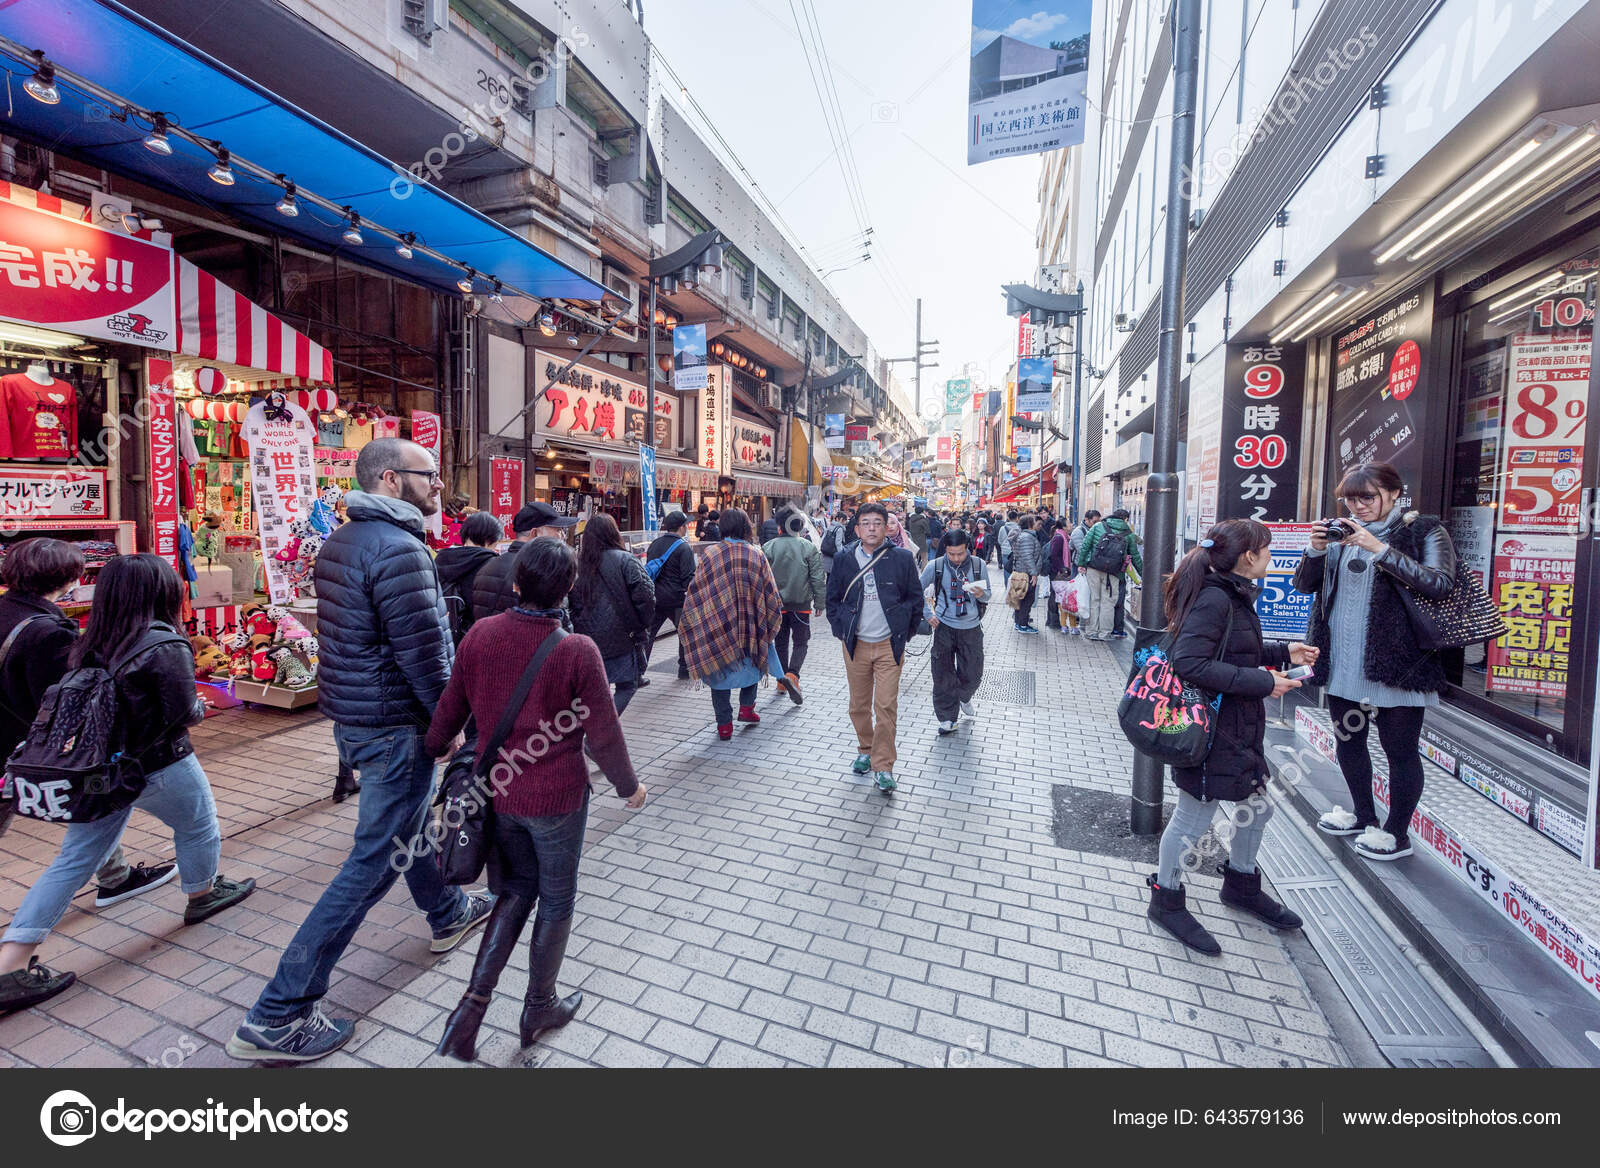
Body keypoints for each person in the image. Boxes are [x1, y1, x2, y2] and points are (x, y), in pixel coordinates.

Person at [230, 439, 491, 1064]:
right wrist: (446, 721)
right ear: (393, 480)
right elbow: (425, 652)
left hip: (357, 721)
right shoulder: (400, 548)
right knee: (372, 862)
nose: (439, 486)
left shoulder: (345, 540)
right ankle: (278, 1012)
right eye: (429, 476)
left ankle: (448, 909)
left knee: (403, 832)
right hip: (396, 725)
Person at [0, 555, 255, 1014]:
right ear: (160, 592)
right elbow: (180, 714)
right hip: (158, 762)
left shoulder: (89, 641)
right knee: (198, 825)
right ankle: (203, 893)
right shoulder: (163, 641)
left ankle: (10, 961)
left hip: (100, 771)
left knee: (74, 860)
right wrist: (200, 703)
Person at [425, 538, 647, 1060]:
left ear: (517, 583)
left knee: (515, 893)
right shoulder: (576, 650)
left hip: (495, 795)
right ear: (568, 588)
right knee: (557, 897)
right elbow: (603, 734)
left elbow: (450, 709)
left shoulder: (480, 634)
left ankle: (470, 1012)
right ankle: (539, 1004)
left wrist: (432, 751)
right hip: (557, 799)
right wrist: (629, 788)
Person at [1147, 520, 1314, 955]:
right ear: (1248, 556)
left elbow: (1233, 650)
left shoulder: (1233, 593)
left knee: (1257, 807)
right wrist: (1263, 683)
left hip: (1239, 727)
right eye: (1267, 550)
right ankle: (1166, 899)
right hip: (1209, 731)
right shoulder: (1215, 598)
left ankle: (1241, 885)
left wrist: (1282, 653)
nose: (1271, 558)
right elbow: (1190, 663)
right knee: (1193, 817)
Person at [1292, 461, 1456, 861]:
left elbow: (1439, 584)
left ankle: (1397, 833)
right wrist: (1315, 551)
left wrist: (1378, 549)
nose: (1358, 506)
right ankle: (1364, 815)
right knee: (1349, 741)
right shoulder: (1339, 533)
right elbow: (1303, 585)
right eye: (1350, 498)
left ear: (1395, 493)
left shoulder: (1423, 531)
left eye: (1367, 496)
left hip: (1399, 663)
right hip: (1342, 658)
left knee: (1399, 749)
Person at [0, 539, 176, 907]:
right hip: (17, 748)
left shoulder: (11, 613)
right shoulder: (48, 633)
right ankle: (112, 880)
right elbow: (64, 701)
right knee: (86, 798)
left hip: (12, 741)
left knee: (88, 804)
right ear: (67, 579)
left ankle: (116, 876)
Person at [826, 502, 926, 793]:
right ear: (857, 528)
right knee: (858, 706)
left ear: (887, 527)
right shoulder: (844, 558)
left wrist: (903, 632)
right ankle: (865, 748)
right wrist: (840, 629)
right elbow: (833, 599)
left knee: (885, 706)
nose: (872, 528)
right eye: (866, 523)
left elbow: (915, 599)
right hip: (855, 644)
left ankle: (883, 766)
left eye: (877, 523)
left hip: (887, 646)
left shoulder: (903, 559)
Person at [680, 509, 783, 740]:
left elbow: (696, 590)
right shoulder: (755, 554)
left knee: (719, 672)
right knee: (752, 662)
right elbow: (770, 593)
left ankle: (724, 724)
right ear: (746, 527)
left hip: (718, 625)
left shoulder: (710, 553)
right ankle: (747, 708)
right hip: (750, 623)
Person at [568, 513, 654, 716]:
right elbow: (646, 597)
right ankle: (602, 730)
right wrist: (642, 624)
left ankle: (588, 732)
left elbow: (571, 600)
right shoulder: (626, 560)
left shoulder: (579, 563)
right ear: (614, 533)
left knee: (597, 687)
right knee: (628, 685)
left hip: (587, 636)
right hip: (621, 635)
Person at [922, 530, 987, 735]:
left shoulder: (978, 565)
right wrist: (927, 613)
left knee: (973, 674)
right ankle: (947, 718)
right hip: (944, 627)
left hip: (971, 628)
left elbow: (988, 595)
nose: (956, 558)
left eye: (960, 553)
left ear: (967, 548)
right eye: (951, 554)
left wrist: (981, 593)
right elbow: (916, 589)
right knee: (942, 675)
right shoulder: (936, 566)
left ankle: (964, 696)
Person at [763, 505, 827, 704]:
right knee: (801, 642)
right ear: (799, 527)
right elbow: (817, 577)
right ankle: (793, 675)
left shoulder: (768, 547)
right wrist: (820, 601)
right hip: (801, 604)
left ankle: (782, 681)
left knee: (780, 642)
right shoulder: (808, 547)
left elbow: (762, 578)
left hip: (776, 605)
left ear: (780, 526)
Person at [473, 502, 579, 622]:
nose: (562, 536)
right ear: (535, 533)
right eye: (558, 530)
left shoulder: (487, 567)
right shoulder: (545, 571)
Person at [437, 510, 505, 645]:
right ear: (490, 539)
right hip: (476, 641)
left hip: (443, 638)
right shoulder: (491, 564)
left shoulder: (440, 559)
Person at [644, 511, 697, 680]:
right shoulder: (684, 547)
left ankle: (638, 671)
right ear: (682, 527)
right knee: (684, 634)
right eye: (686, 525)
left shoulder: (654, 544)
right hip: (676, 601)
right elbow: (688, 578)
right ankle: (684, 669)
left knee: (648, 635)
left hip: (655, 598)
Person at [1078, 508, 1142, 641]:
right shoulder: (1128, 533)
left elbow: (1085, 545)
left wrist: (1082, 564)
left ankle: (1091, 632)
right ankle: (1105, 633)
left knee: (1094, 599)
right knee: (1108, 602)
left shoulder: (1098, 526)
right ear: (1125, 519)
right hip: (1113, 572)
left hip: (1094, 568)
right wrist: (1143, 574)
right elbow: (1135, 556)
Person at [1007, 516, 1044, 633]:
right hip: (1026, 574)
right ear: (1029, 524)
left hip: (1024, 572)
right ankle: (1022, 624)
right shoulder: (1027, 537)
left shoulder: (1026, 536)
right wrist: (1033, 573)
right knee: (1027, 599)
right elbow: (1028, 557)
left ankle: (1020, 623)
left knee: (1022, 599)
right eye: (1034, 521)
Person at [1044, 518, 1071, 632]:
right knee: (1055, 595)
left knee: (1055, 594)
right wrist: (1062, 568)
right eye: (1069, 523)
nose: (1071, 524)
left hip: (1058, 570)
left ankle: (1053, 621)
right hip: (1056, 571)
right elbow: (1054, 555)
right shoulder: (1059, 537)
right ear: (1064, 526)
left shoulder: (1063, 536)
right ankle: (1053, 621)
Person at [1068, 510, 1102, 575]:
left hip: (1092, 566)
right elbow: (1082, 550)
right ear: (1086, 520)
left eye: (1099, 522)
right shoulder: (1078, 532)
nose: (1097, 524)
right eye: (1094, 522)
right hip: (1079, 566)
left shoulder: (1097, 531)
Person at [996, 509, 1019, 577]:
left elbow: (999, 540)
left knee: (1007, 571)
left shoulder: (1002, 528)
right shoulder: (1019, 528)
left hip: (1005, 552)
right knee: (1017, 572)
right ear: (1017, 518)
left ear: (1008, 518)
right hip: (1016, 552)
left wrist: (1004, 546)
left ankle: (1007, 587)